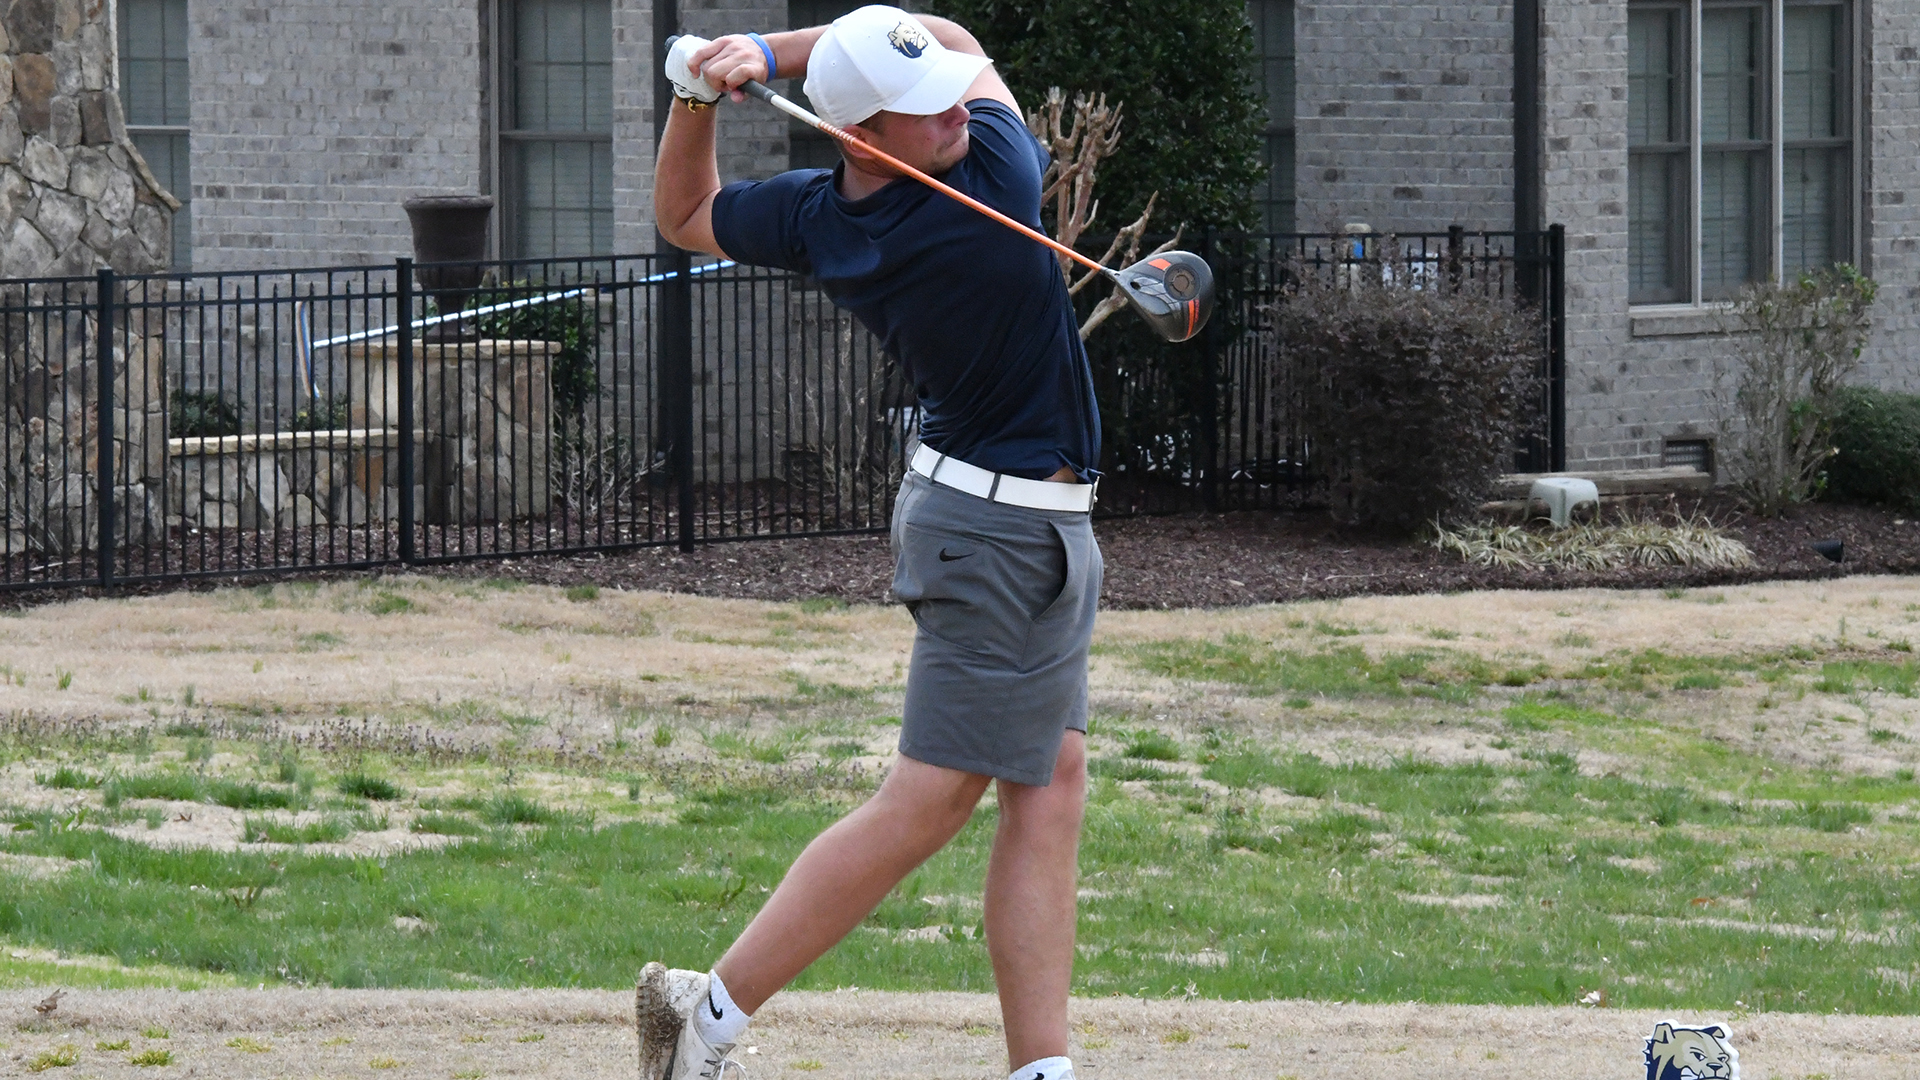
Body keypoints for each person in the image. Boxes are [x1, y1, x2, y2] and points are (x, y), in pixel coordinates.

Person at [642, 9, 1102, 1080]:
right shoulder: (995, 179)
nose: (952, 107)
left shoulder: (823, 214)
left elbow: (685, 213)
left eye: (947, 94)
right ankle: (702, 1020)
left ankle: (1042, 1070)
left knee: (1050, 779)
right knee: (930, 800)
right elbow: (937, 26)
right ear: (860, 137)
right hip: (996, 535)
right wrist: (772, 55)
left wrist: (709, 86)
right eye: (923, 109)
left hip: (1011, 524)